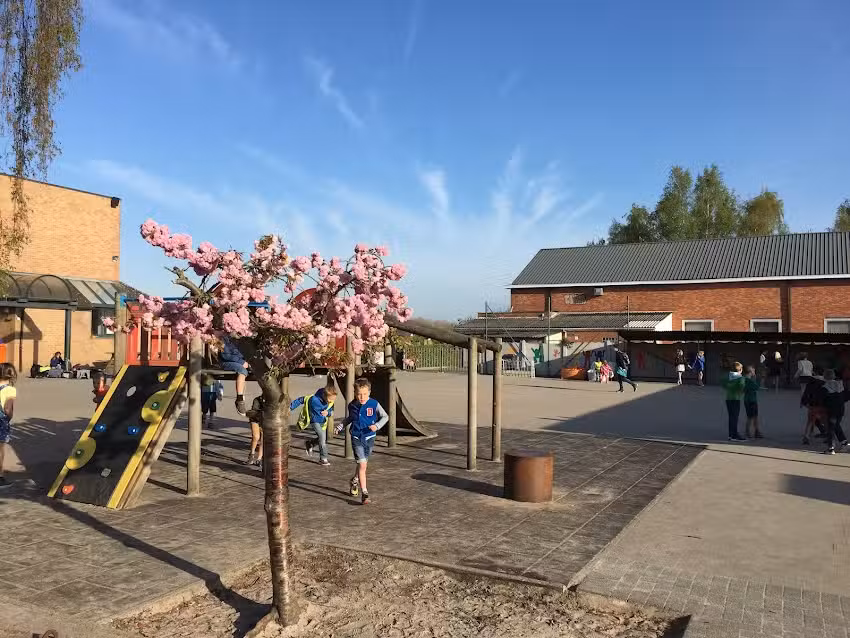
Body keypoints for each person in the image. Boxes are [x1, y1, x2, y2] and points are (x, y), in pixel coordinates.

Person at [335, 377, 388, 505]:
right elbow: (350, 419)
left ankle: (354, 480)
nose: (362, 397)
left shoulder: (374, 404)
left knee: (362, 464)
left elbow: (385, 416)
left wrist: (377, 426)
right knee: (363, 464)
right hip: (356, 437)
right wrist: (341, 426)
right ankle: (365, 493)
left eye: (364, 394)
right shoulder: (352, 405)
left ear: (369, 392)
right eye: (359, 394)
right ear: (355, 393)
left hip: (369, 437)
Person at [291, 383, 337, 466]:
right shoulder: (313, 399)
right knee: (322, 438)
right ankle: (323, 459)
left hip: (323, 421)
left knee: (323, 439)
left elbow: (331, 411)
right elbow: (301, 400)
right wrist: (290, 407)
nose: (331, 401)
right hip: (314, 420)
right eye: (330, 400)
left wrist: (328, 413)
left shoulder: (331, 399)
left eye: (333, 400)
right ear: (324, 395)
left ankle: (310, 443)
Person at [219, 337, 250, 415]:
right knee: (242, 370)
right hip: (226, 362)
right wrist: (242, 362)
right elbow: (226, 355)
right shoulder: (223, 338)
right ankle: (239, 399)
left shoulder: (243, 337)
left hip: (240, 361)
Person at [822, 369, 847, 455]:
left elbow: (823, 400)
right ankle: (844, 443)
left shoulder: (825, 387)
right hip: (841, 409)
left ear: (825, 377)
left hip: (832, 410)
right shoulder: (840, 384)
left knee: (830, 429)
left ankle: (830, 448)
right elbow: (846, 396)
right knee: (836, 425)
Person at [0, 363, 17, 489]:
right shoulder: (10, 390)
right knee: (0, 450)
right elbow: (7, 409)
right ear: (11, 375)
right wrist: (9, 417)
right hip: (1, 422)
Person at [801, 367, 828, 445]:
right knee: (825, 421)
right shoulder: (826, 382)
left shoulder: (811, 382)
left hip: (813, 405)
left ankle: (807, 436)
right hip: (823, 405)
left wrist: (804, 402)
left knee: (810, 421)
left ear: (814, 373)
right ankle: (828, 436)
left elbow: (806, 393)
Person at [722, 362, 747, 442]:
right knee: (735, 417)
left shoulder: (728, 376)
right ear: (740, 369)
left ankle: (731, 434)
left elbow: (723, 384)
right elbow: (742, 388)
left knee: (731, 417)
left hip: (728, 398)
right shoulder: (740, 378)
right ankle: (735, 435)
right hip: (736, 399)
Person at [245, 394, 264, 469]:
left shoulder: (271, 401)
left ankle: (259, 459)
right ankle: (252, 455)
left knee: (263, 440)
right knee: (256, 437)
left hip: (265, 420)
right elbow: (254, 411)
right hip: (255, 419)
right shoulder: (257, 399)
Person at [743, 365, 763, 439]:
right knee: (751, 417)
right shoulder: (749, 380)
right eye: (753, 371)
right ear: (750, 372)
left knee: (753, 417)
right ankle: (748, 431)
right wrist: (757, 379)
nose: (754, 372)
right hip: (751, 400)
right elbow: (756, 387)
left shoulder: (745, 379)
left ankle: (756, 431)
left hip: (748, 400)